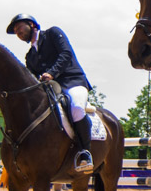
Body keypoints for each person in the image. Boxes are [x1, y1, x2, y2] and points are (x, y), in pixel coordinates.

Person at [6, 14, 95, 174]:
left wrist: (52, 73)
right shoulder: (30, 57)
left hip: (72, 81)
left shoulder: (53, 33)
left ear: (32, 24)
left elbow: (66, 54)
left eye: (19, 27)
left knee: (76, 108)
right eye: (15, 31)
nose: (17, 32)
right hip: (51, 89)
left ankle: (85, 152)